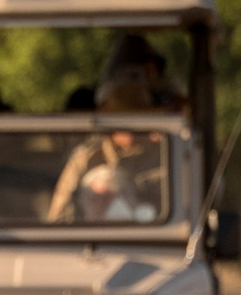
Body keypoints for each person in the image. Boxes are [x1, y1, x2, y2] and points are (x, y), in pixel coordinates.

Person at [46, 83, 170, 222]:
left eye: (137, 116)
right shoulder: (86, 158)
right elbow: (60, 217)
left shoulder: (167, 156)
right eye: (123, 117)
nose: (131, 125)